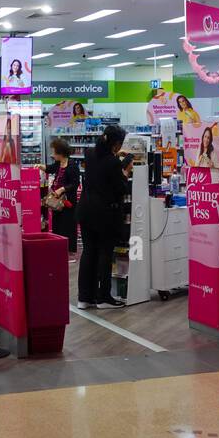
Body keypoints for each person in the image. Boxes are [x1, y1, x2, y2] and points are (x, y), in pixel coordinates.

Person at [77, 125, 133, 309]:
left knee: (88, 252)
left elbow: (101, 168)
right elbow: (120, 188)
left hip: (86, 211)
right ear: (116, 144)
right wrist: (125, 172)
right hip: (104, 214)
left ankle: (85, 297)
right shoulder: (113, 163)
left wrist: (115, 157)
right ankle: (103, 297)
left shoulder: (89, 153)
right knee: (104, 254)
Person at [44, 138, 80, 257]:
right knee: (57, 224)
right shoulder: (58, 164)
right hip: (56, 200)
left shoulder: (72, 166)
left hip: (67, 201)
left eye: (54, 152)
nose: (52, 155)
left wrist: (62, 189)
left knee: (67, 225)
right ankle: (58, 247)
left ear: (61, 153)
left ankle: (68, 250)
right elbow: (50, 168)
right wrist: (40, 166)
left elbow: (74, 184)